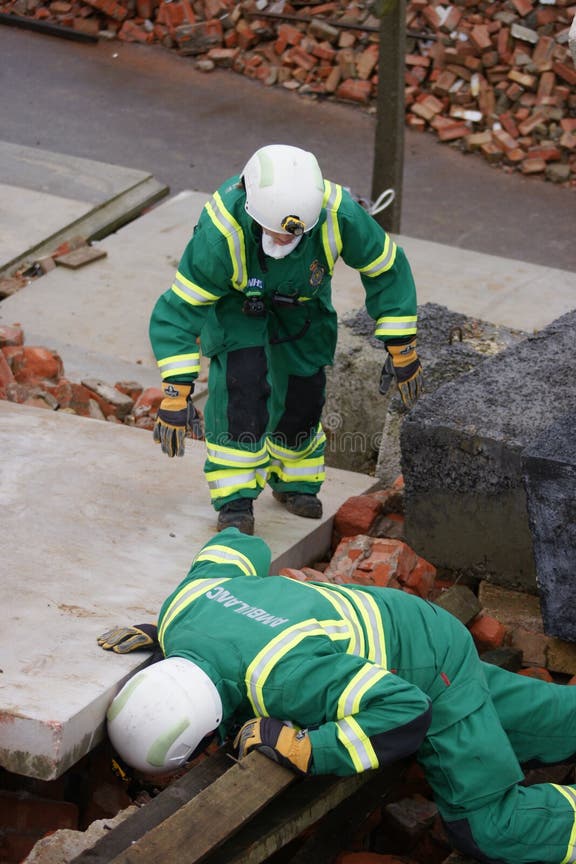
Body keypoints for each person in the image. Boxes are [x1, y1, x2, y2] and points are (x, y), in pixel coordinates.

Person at [99, 528, 576, 864]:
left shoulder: (285, 677)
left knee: (489, 827)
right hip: (393, 619)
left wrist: (308, 749)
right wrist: (168, 635)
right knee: (522, 715)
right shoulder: (183, 608)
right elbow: (238, 542)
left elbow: (407, 710)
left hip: (425, 667)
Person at [149, 144, 422, 535]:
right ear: (252, 209)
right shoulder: (220, 232)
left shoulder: (339, 214)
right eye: (274, 234)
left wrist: (402, 344)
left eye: (292, 235)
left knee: (304, 391)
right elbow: (179, 311)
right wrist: (175, 392)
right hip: (237, 305)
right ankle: (236, 499)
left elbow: (386, 268)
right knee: (242, 387)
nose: (282, 243)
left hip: (302, 302)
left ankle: (294, 482)